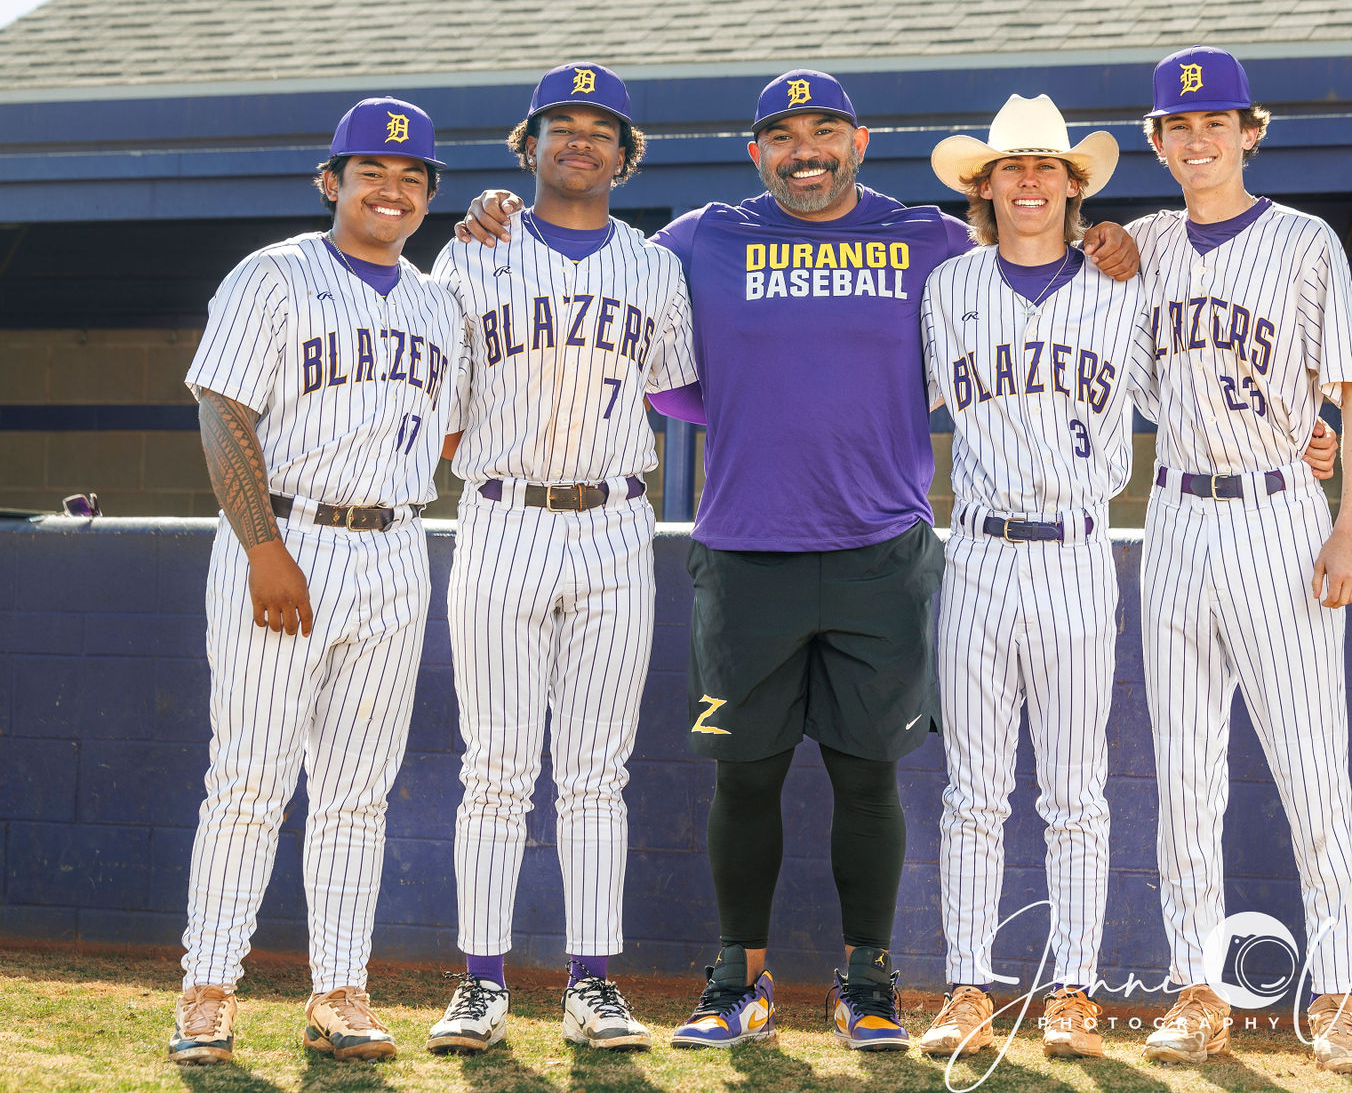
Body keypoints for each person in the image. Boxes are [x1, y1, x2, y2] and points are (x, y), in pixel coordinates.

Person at [455, 67, 1140, 1053]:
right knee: (746, 778)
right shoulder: (699, 239)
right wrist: (494, 215)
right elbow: (637, 339)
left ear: (859, 146)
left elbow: (1031, 260)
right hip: (744, 550)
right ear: (756, 153)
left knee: (870, 780)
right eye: (783, 135)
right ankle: (736, 982)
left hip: (881, 553)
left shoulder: (932, 242)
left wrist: (1101, 238)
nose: (805, 148)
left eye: (825, 131)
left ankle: (868, 986)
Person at [914, 93, 1339, 1062]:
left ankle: (1073, 990)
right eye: (1009, 168)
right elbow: (893, 393)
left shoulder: (1125, 286)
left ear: (1075, 186)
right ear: (983, 189)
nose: (1028, 181)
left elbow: (1204, 381)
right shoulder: (949, 288)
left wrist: (1301, 433)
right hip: (976, 545)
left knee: (1075, 790)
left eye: (1046, 168)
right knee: (973, 788)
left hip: (1075, 543)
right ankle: (969, 987)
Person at [170, 98, 462, 1065]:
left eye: (412, 175)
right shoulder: (274, 273)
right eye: (372, 170)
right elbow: (222, 411)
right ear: (331, 181)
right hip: (286, 533)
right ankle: (207, 987)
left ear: (427, 195)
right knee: (250, 781)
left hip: (392, 546)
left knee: (356, 793)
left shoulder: (433, 300)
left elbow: (448, 428)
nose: (393, 187)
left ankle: (340, 990)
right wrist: (261, 546)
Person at [425, 63, 697, 1055]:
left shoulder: (654, 267)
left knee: (595, 774)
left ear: (625, 156)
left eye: (601, 129)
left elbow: (678, 393)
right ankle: (481, 983)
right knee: (493, 769)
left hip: (616, 523)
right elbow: (438, 411)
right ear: (527, 145)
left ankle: (593, 983)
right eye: (560, 125)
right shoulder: (469, 254)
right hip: (501, 517)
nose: (580, 142)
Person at [1129, 46, 1352, 1075]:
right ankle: (1197, 989)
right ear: (1155, 141)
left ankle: (1334, 997)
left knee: (1311, 768)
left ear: (1249, 132)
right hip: (1174, 516)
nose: (1197, 139)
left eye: (1215, 123)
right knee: (1186, 778)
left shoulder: (1302, 241)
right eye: (1177, 126)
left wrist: (1350, 522)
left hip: (1279, 511)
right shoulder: (1135, 245)